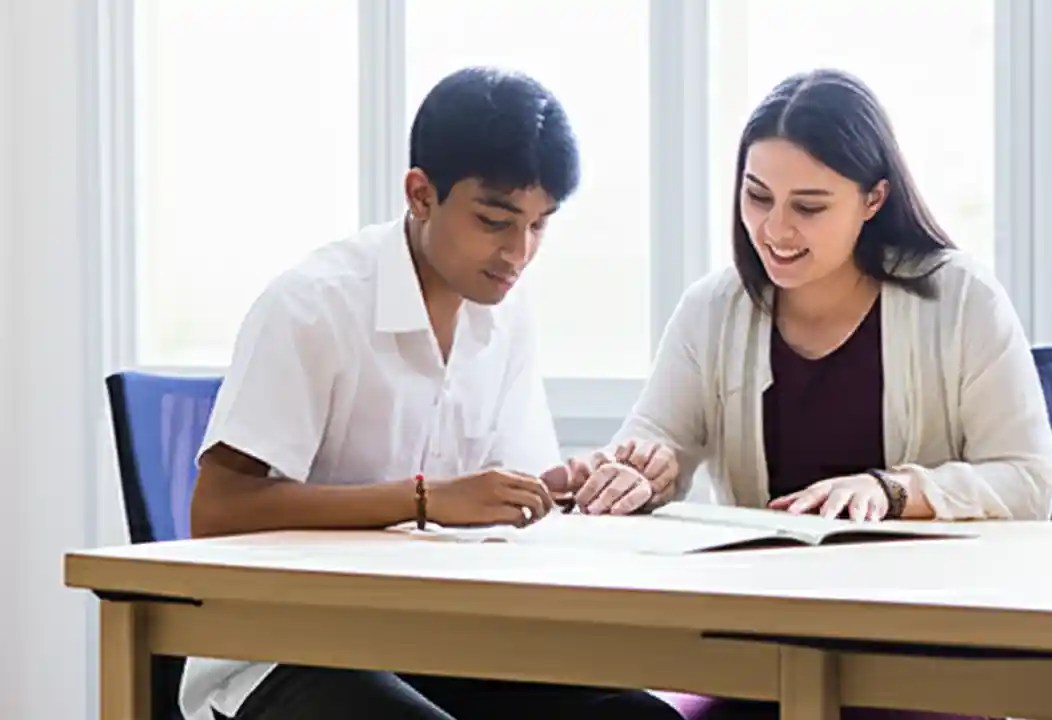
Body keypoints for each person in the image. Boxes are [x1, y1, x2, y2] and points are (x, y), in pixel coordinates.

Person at [182, 67, 682, 720]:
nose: (518, 253)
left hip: (440, 641)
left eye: (540, 226)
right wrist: (427, 500)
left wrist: (565, 484)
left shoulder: (504, 313)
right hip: (285, 650)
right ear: (420, 194)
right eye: (495, 220)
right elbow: (217, 509)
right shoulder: (313, 306)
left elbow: (504, 496)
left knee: (638, 717)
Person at [563, 69, 1052, 720]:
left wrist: (892, 490)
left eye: (809, 206)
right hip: (761, 656)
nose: (774, 230)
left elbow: (1029, 482)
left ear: (874, 199)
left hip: (921, 659)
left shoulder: (960, 298)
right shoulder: (713, 310)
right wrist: (639, 473)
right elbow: (657, 442)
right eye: (757, 196)